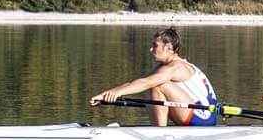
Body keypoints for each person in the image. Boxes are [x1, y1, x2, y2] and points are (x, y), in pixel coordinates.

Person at [89, 27, 220, 126]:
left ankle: (159, 134)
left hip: (204, 117)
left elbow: (146, 83)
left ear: (168, 47)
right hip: (198, 114)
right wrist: (107, 94)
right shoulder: (164, 68)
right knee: (150, 83)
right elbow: (137, 82)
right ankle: (159, 131)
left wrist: (117, 93)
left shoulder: (175, 67)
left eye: (155, 46)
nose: (151, 50)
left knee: (157, 85)